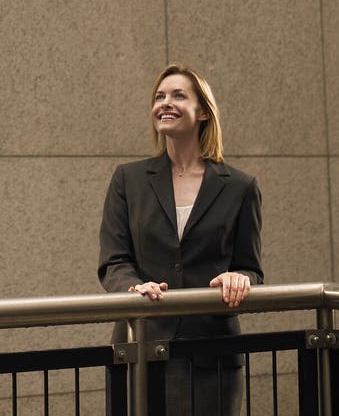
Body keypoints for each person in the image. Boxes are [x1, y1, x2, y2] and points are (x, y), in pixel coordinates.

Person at [98, 63, 263, 416]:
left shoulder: (240, 186)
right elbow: (114, 261)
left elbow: (250, 268)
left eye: (177, 95)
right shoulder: (128, 180)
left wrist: (240, 279)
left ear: (203, 111)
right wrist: (132, 289)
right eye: (159, 96)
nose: (165, 103)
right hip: (139, 347)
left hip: (211, 355)